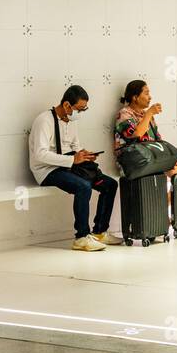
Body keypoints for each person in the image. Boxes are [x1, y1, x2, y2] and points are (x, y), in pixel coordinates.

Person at [29, 85, 117, 252]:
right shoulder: (44, 120)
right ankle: (81, 237)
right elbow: (40, 155)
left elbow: (75, 147)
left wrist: (83, 155)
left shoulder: (71, 121)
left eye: (84, 109)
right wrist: (72, 159)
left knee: (110, 184)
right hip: (47, 170)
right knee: (83, 187)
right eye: (79, 109)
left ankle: (99, 232)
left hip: (68, 166)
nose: (81, 113)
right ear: (67, 105)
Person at [114, 80, 177, 179]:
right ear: (135, 97)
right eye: (146, 93)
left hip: (150, 158)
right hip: (133, 161)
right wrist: (149, 113)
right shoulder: (124, 114)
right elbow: (136, 134)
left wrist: (171, 160)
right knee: (172, 173)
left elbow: (158, 141)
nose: (150, 97)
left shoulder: (146, 115)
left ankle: (170, 194)